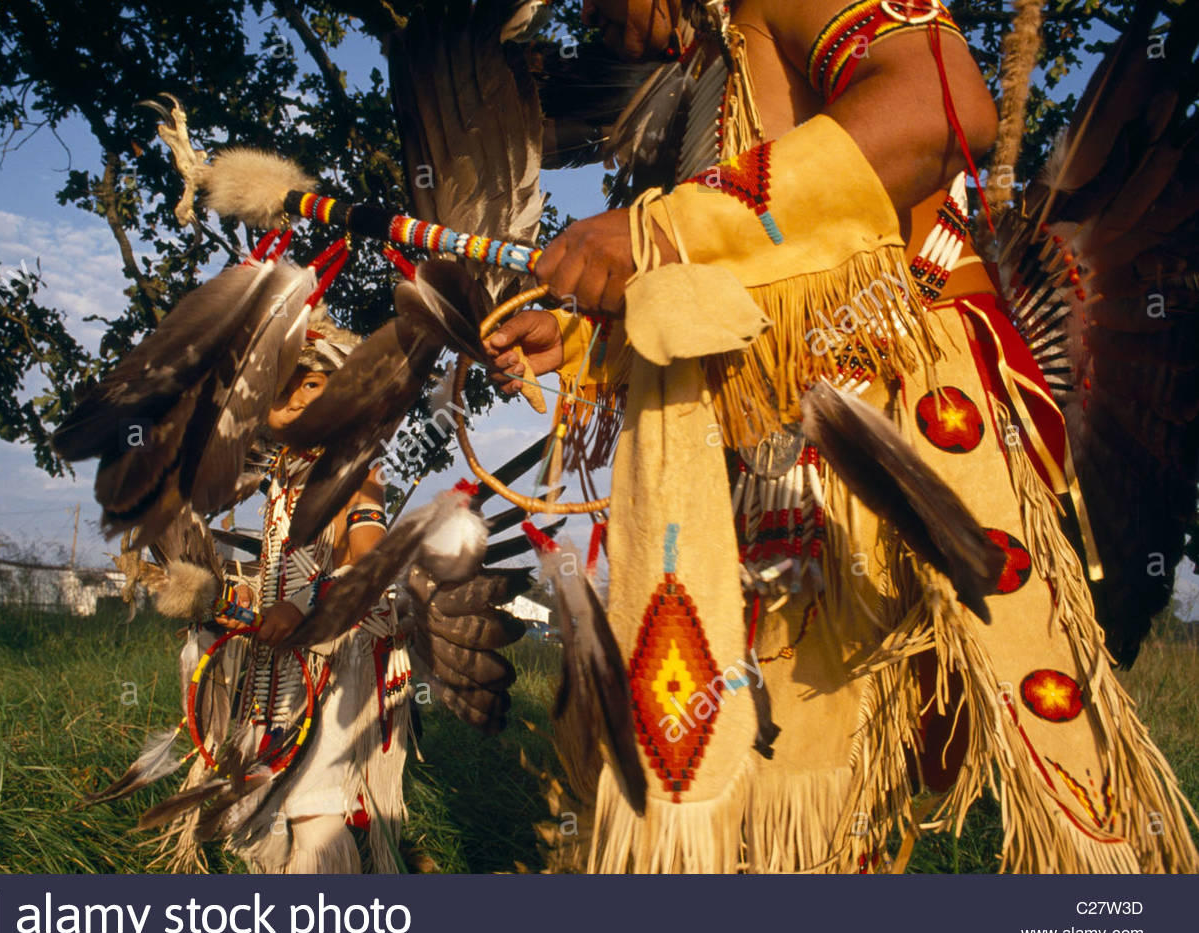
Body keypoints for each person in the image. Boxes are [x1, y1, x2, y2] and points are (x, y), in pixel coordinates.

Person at [484, 0, 1198, 872]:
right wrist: (596, 336)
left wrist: (664, 228)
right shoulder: (716, 62)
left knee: (822, 811)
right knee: (741, 804)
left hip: (874, 455)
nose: (583, 13)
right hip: (762, 480)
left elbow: (942, 107)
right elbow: (765, 277)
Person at [207, 314, 411, 874]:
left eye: (313, 385)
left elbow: (370, 556)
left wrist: (303, 603)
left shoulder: (356, 468)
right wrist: (244, 597)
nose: (296, 397)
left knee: (315, 799)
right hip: (285, 655)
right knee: (261, 793)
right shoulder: (282, 475)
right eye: (285, 386)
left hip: (340, 650)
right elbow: (279, 563)